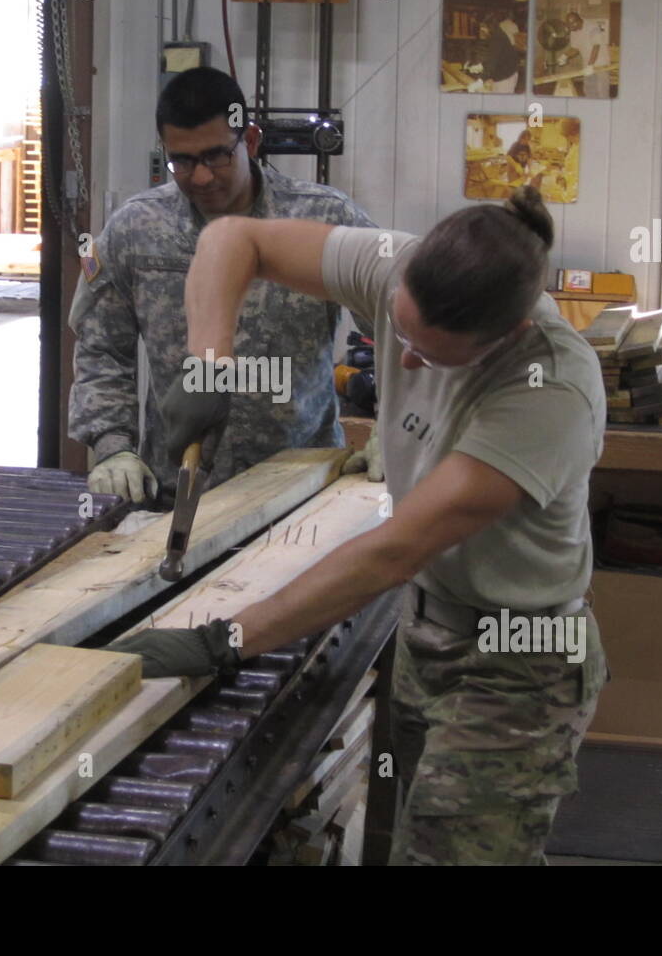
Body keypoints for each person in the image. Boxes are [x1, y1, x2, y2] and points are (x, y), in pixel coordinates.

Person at [113, 187, 609, 865]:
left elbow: (390, 552)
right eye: (397, 335)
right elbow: (235, 237)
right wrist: (209, 362)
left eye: (430, 355)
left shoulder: (549, 388)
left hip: (516, 663)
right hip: (428, 629)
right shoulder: (395, 264)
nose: (403, 363)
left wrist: (226, 639)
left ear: (508, 335)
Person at [68, 67, 377, 504]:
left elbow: (401, 323)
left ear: (249, 141)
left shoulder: (324, 219)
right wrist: (111, 447)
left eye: (216, 156)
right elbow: (101, 350)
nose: (201, 178)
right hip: (178, 492)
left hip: (300, 488)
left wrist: (399, 427)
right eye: (183, 161)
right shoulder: (136, 229)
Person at [565, 11, 611, 98]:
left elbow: (596, 47)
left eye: (571, 25)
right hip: (588, 64)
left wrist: (590, 65)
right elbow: (575, 48)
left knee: (602, 91)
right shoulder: (574, 31)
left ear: (577, 22)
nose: (570, 28)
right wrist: (565, 56)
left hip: (601, 64)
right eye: (568, 25)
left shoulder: (592, 28)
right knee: (589, 90)